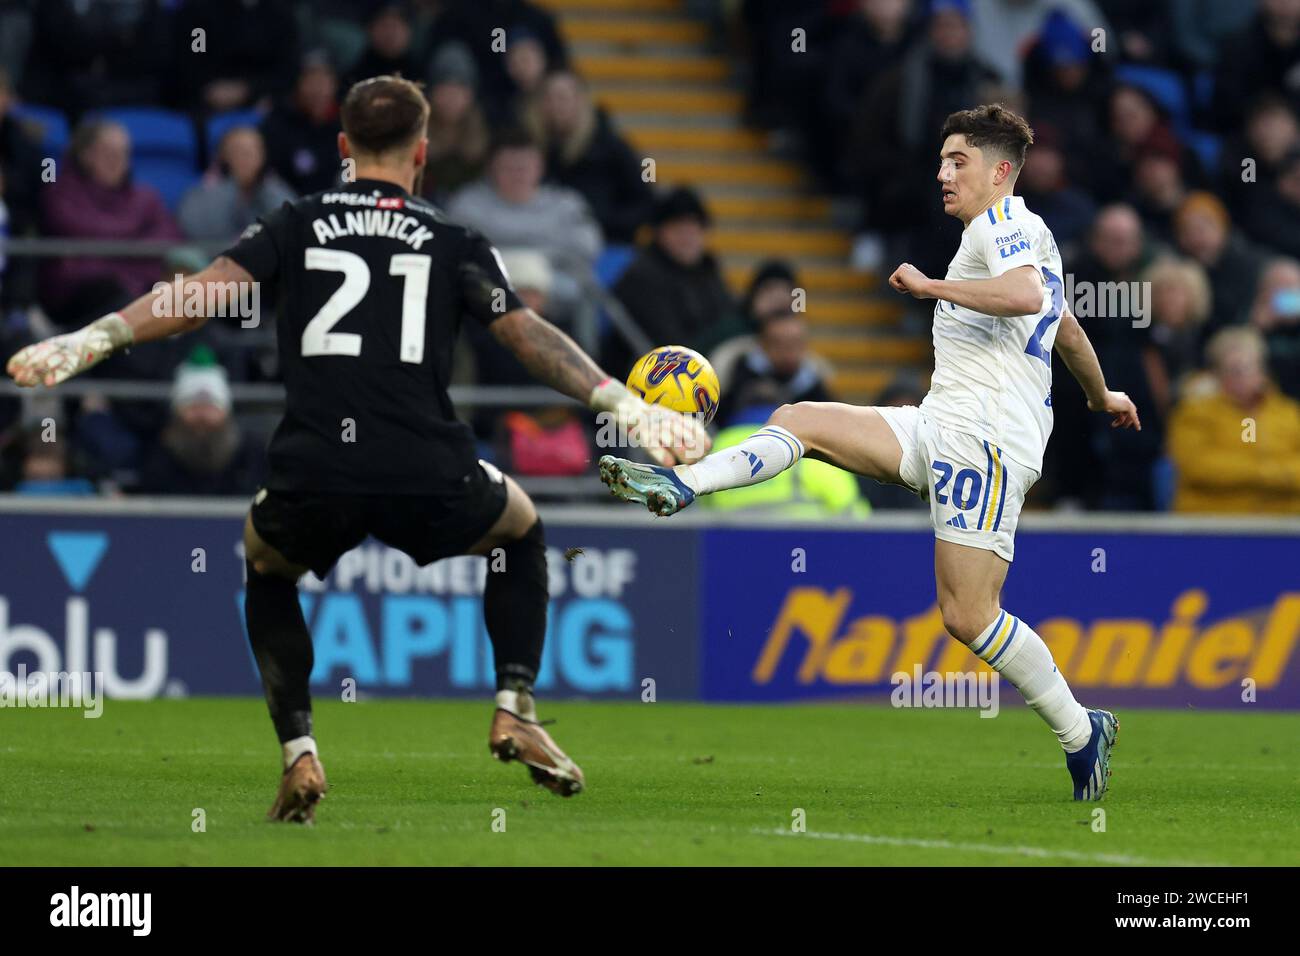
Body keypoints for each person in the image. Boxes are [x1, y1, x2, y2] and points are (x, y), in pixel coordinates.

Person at [6, 74, 709, 823]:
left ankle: (299, 752)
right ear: (422, 152)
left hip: (316, 467)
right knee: (520, 530)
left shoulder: (294, 222)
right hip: (426, 464)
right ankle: (514, 705)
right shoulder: (453, 239)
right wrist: (621, 402)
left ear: (344, 147)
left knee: (267, 565)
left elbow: (201, 293)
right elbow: (524, 333)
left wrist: (96, 336)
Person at [600, 104, 1140, 802]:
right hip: (942, 424)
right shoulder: (1022, 236)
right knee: (800, 419)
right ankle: (682, 483)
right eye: (942, 160)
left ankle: (1080, 729)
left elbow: (1026, 295)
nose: (943, 173)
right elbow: (1062, 323)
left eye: (959, 161)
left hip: (985, 442)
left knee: (968, 614)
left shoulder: (1004, 224)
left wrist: (929, 286)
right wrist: (1100, 394)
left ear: (1000, 171)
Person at [1167, 326, 1300, 513]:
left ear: (1262, 371)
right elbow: (1197, 466)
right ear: (1217, 374)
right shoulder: (1195, 412)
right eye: (1234, 370)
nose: (1242, 377)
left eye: (1249, 367)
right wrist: (1266, 473)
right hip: (1214, 520)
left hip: (1282, 520)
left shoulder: (1288, 412)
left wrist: (1262, 472)